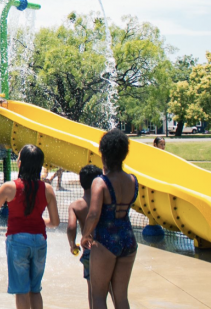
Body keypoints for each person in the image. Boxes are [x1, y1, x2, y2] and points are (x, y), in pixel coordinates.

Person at [0, 144, 60, 309]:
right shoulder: (47, 189)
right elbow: (55, 222)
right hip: (39, 241)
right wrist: (39, 221)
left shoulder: (9, 187)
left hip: (18, 242)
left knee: (21, 291)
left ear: (20, 163)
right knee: (35, 290)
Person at [80, 129, 139, 309]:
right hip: (128, 239)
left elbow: (93, 214)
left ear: (103, 154)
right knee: (121, 298)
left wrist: (85, 235)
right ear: (124, 154)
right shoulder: (132, 180)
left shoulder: (100, 182)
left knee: (98, 296)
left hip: (105, 240)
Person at [67, 164, 104, 307]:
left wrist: (72, 245)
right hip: (108, 247)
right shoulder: (105, 203)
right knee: (113, 287)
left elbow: (71, 227)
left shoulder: (76, 205)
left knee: (93, 289)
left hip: (90, 249)